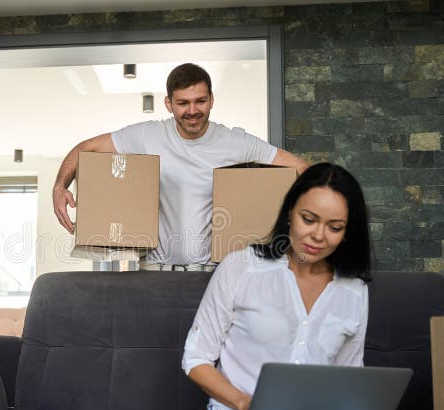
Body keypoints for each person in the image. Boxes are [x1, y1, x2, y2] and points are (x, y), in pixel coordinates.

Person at [182, 163, 388, 410]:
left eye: (335, 227)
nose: (318, 236)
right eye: (309, 220)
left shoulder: (353, 291)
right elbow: (196, 358)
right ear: (290, 212)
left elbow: (350, 375)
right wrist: (244, 402)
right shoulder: (241, 268)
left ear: (348, 232)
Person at [52, 62, 307, 270]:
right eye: (183, 103)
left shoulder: (235, 142)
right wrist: (60, 186)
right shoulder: (148, 136)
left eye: (200, 101)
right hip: (153, 273)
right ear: (169, 104)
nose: (192, 111)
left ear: (211, 100)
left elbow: (301, 169)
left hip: (211, 275)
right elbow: (86, 148)